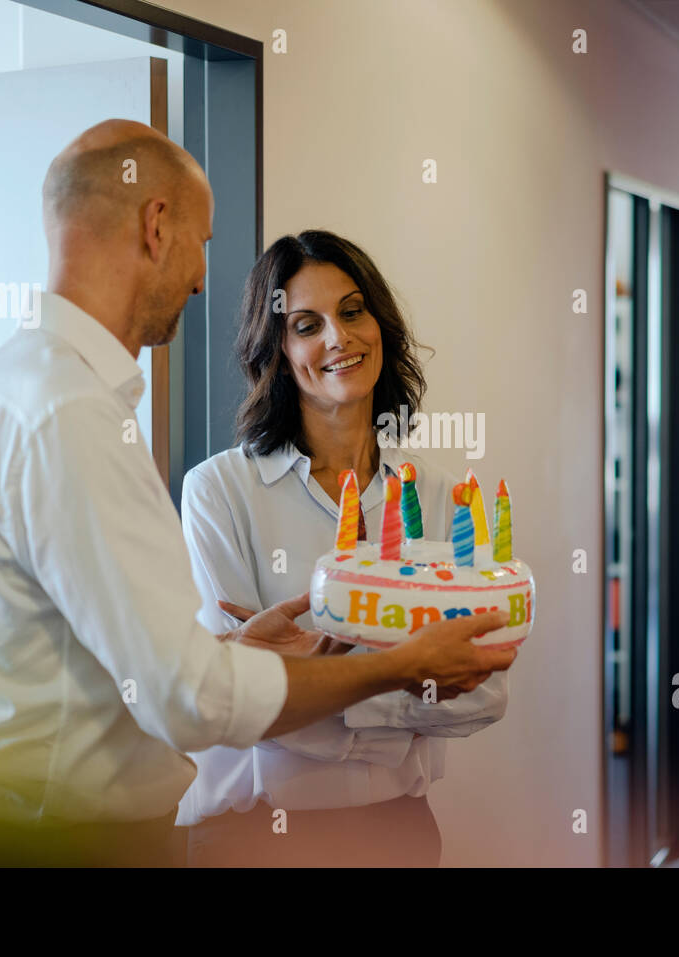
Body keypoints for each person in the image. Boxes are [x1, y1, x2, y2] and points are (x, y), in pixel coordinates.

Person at [0, 120, 516, 866]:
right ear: (157, 223)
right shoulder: (70, 416)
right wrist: (402, 667)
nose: (203, 276)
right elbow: (192, 699)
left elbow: (139, 665)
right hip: (73, 838)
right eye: (203, 242)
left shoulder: (24, 391)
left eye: (354, 310)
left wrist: (232, 648)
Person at [178, 230, 507, 867]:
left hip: (396, 834)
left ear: (379, 322)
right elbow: (238, 703)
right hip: (251, 841)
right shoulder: (219, 491)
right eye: (307, 324)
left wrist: (314, 683)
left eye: (353, 311)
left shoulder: (440, 495)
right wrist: (409, 674)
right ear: (276, 346)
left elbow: (486, 695)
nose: (338, 338)